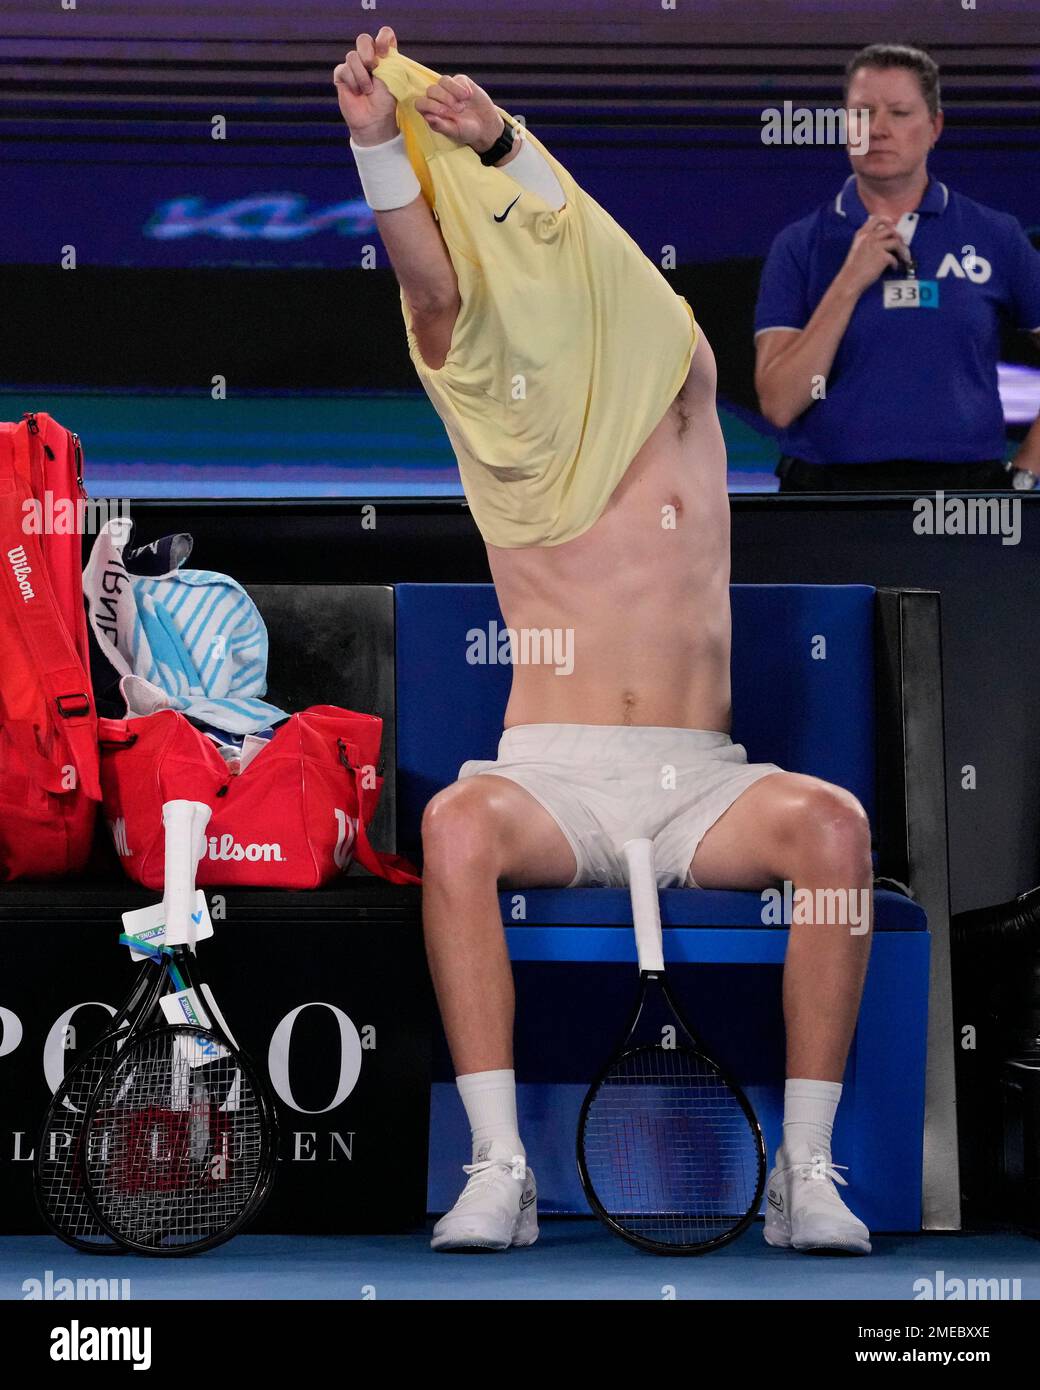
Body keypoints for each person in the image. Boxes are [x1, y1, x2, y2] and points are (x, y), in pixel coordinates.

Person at [336, 28, 874, 1255]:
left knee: (834, 827)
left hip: (701, 778)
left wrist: (507, 144)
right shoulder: (494, 410)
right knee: (454, 827)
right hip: (553, 774)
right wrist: (378, 141)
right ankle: (498, 1167)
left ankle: (802, 1172)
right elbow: (433, 286)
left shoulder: (674, 381)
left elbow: (603, 265)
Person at [755, 43, 1040, 492]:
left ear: (934, 127)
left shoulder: (996, 235)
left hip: (964, 499)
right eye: (863, 112)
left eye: (900, 113)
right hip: (828, 500)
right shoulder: (800, 244)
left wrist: (1028, 470)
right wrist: (849, 282)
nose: (879, 129)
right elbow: (780, 404)